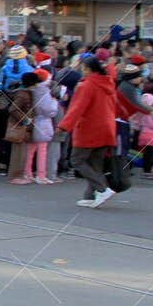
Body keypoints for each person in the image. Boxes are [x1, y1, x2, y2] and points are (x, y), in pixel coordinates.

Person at [60, 54, 119, 208]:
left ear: (87, 69)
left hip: (89, 128)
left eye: (83, 69)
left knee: (77, 160)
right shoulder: (108, 82)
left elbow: (77, 109)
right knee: (95, 163)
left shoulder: (86, 85)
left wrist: (63, 126)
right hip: (106, 127)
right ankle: (90, 195)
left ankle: (102, 189)